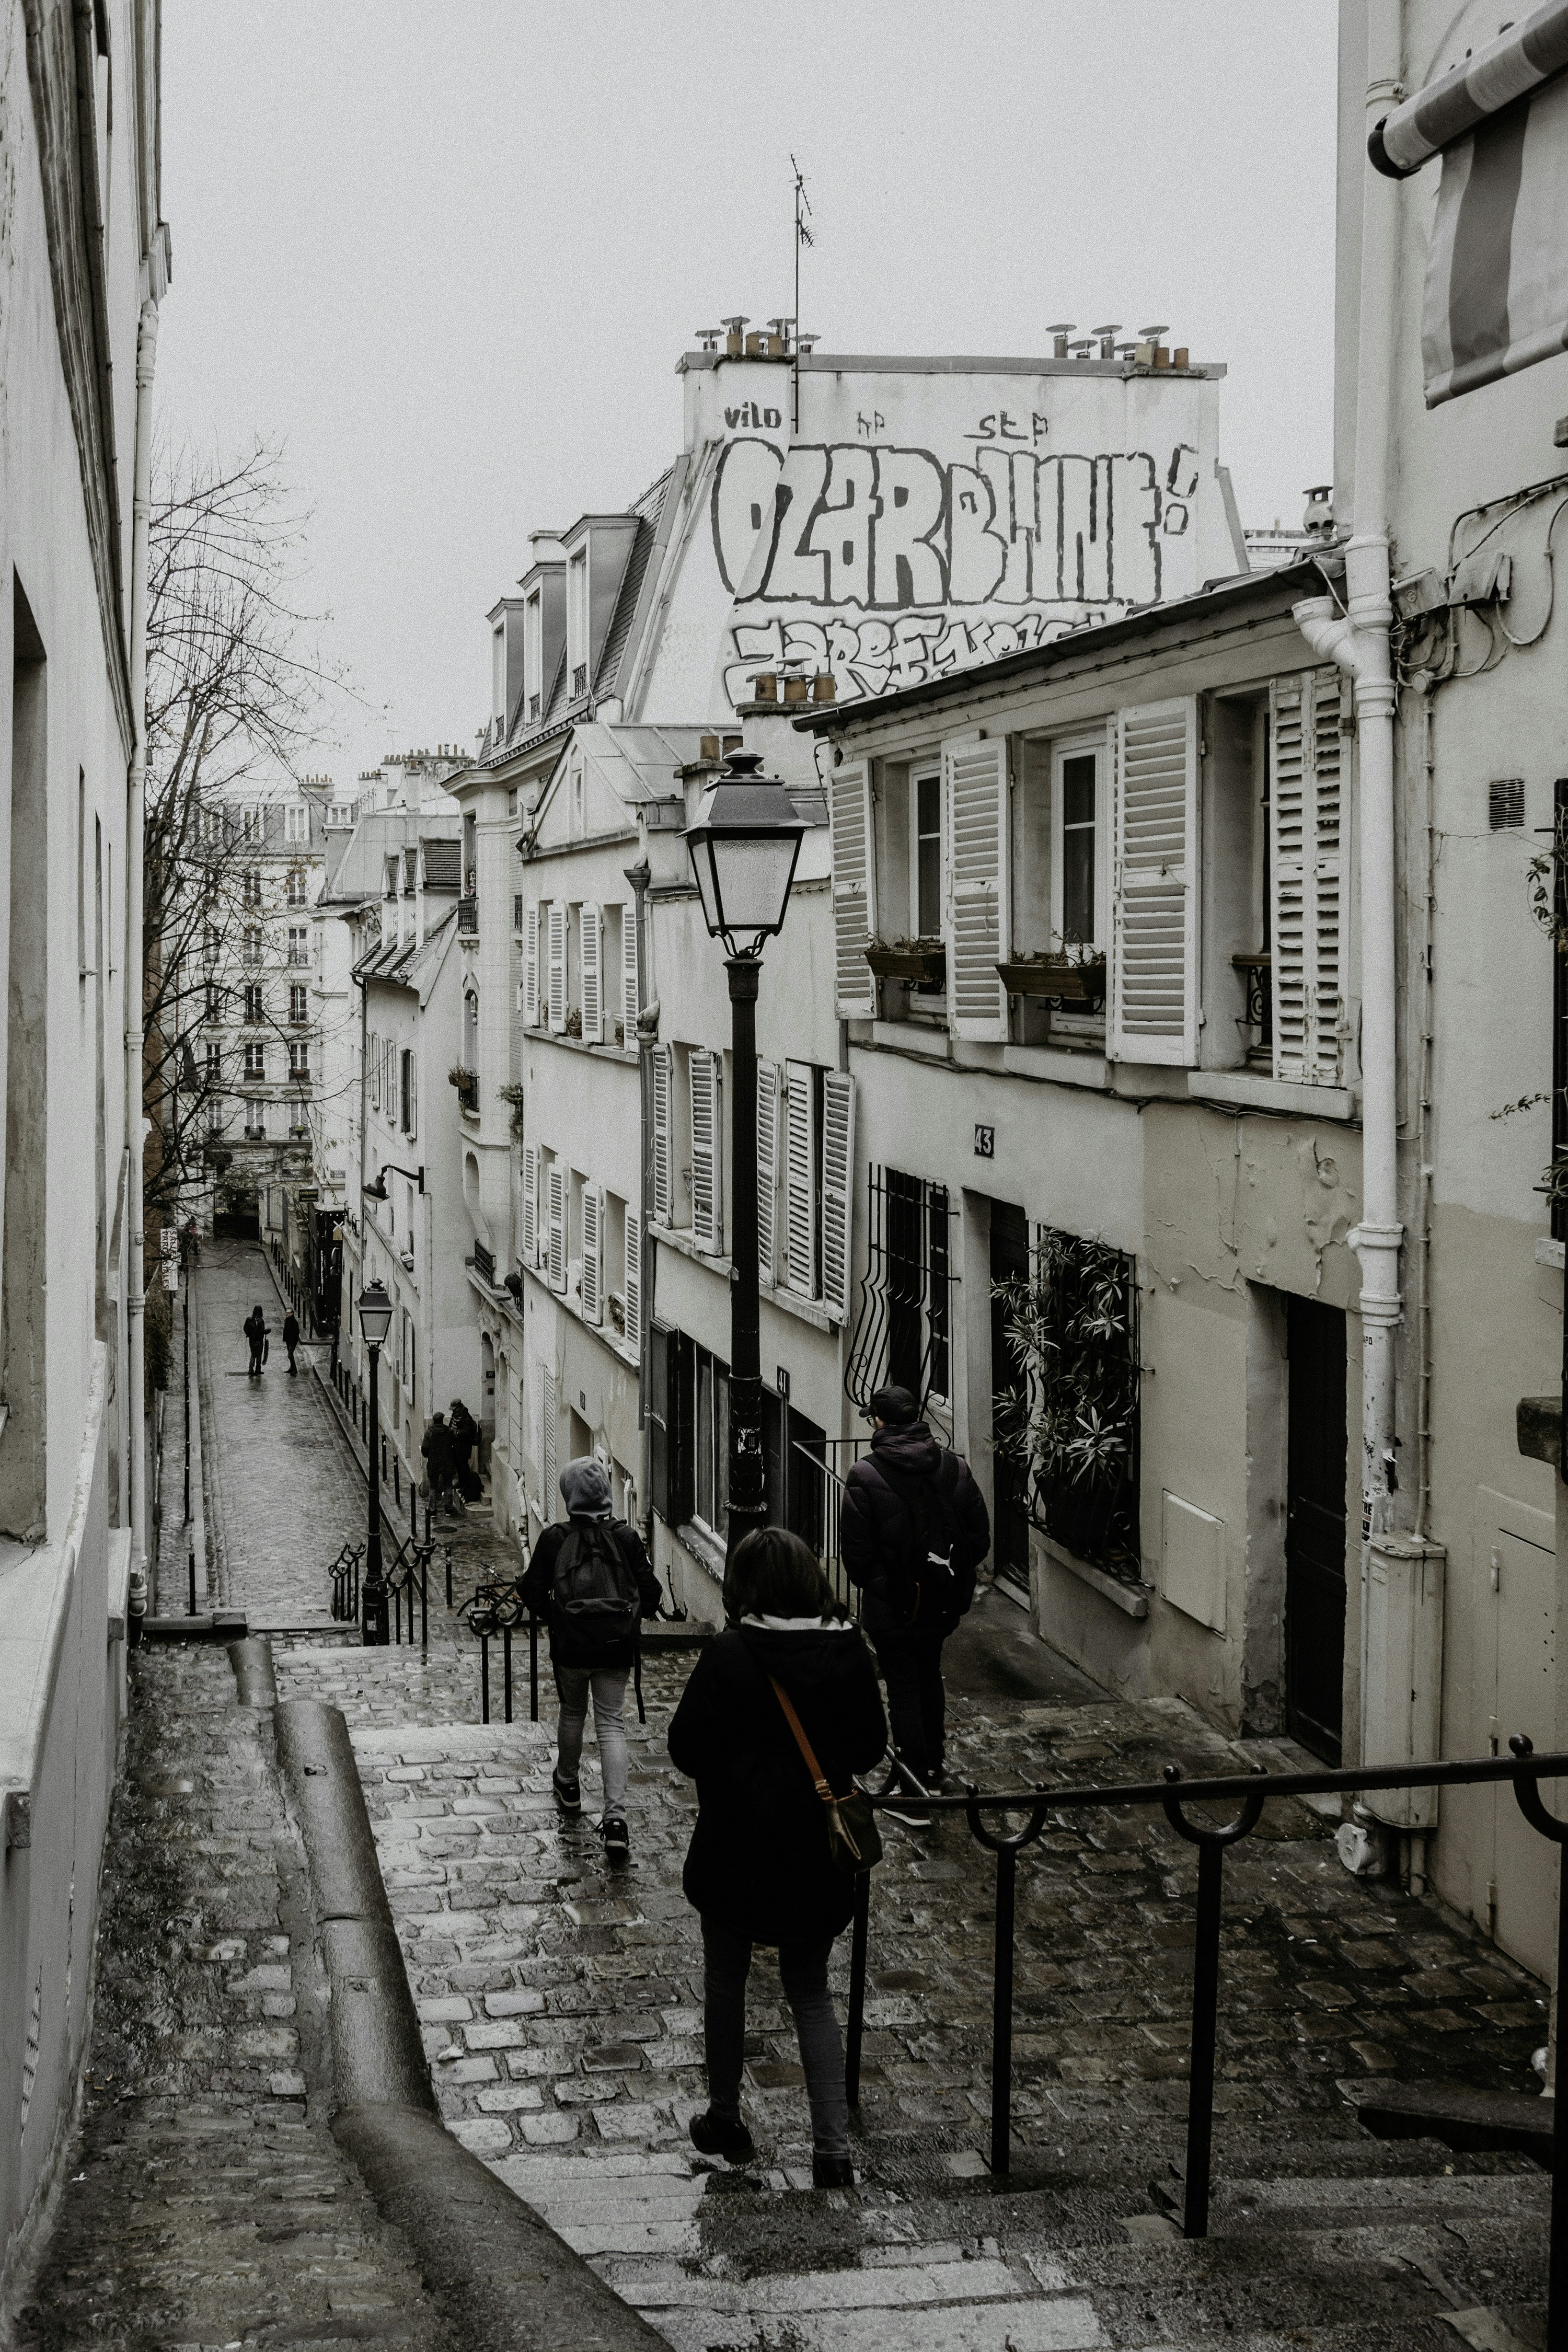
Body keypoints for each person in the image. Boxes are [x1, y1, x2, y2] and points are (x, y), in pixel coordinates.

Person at [667, 1527, 887, 2190]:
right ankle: (831, 2151)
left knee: (727, 1982)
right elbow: (871, 1749)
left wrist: (738, 1764)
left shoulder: (729, 1655)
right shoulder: (849, 1650)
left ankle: (726, 2117)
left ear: (745, 1589)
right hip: (814, 1853)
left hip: (735, 1845)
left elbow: (683, 1749)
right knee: (811, 1991)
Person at [838, 1383, 990, 1829]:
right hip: (942, 1603)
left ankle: (914, 1793)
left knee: (904, 1687)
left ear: (881, 1422)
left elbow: (858, 1562)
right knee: (928, 1675)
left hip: (894, 1608)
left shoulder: (865, 1475)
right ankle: (935, 1770)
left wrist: (897, 1585)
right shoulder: (955, 1468)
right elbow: (978, 1541)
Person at [519, 1457, 662, 1861]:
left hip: (572, 1648)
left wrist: (560, 1618)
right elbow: (652, 1596)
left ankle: (568, 1785)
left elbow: (530, 1592)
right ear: (606, 1494)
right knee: (612, 1725)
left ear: (569, 1497)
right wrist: (626, 1616)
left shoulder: (554, 1539)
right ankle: (616, 1821)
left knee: (571, 1714)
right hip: (616, 1646)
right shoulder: (627, 1538)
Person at [421, 1412, 455, 1513]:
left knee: (433, 1486)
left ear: (434, 1421)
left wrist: (428, 1456)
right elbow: (455, 1441)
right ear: (442, 1420)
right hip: (447, 1462)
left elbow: (425, 1448)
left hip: (434, 1462)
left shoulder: (429, 1432)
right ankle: (449, 1508)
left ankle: (432, 1509)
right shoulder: (449, 1431)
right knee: (448, 1485)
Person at [243, 1304, 268, 1378]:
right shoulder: (261, 1321)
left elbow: (245, 1328)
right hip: (259, 1340)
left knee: (253, 1355)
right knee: (259, 1355)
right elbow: (262, 1331)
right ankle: (258, 1369)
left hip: (252, 1340)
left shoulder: (249, 1319)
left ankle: (251, 1370)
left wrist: (249, 1335)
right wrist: (267, 1331)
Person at [282, 1309, 301, 1375]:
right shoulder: (287, 1320)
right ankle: (292, 1368)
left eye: (288, 1313)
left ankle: (295, 1370)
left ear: (292, 1313)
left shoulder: (294, 1322)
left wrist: (293, 1339)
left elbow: (297, 1332)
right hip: (288, 1340)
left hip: (292, 1341)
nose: (287, 1314)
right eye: (286, 1313)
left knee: (290, 1355)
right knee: (290, 1355)